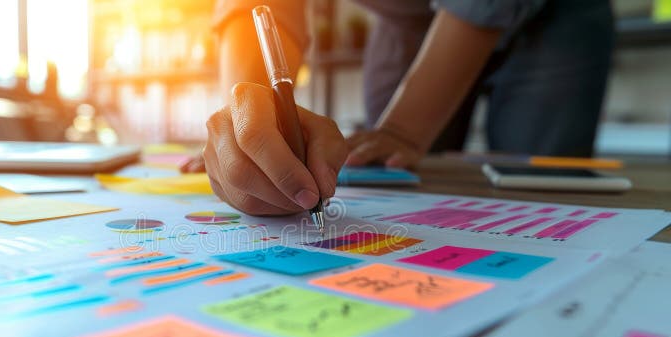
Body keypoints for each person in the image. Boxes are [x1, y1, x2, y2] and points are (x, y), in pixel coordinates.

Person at [182, 0, 614, 216]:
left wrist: (404, 130)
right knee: (388, 167)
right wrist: (247, 121)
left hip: (552, 18)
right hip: (403, 20)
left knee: (539, 188)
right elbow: (260, 9)